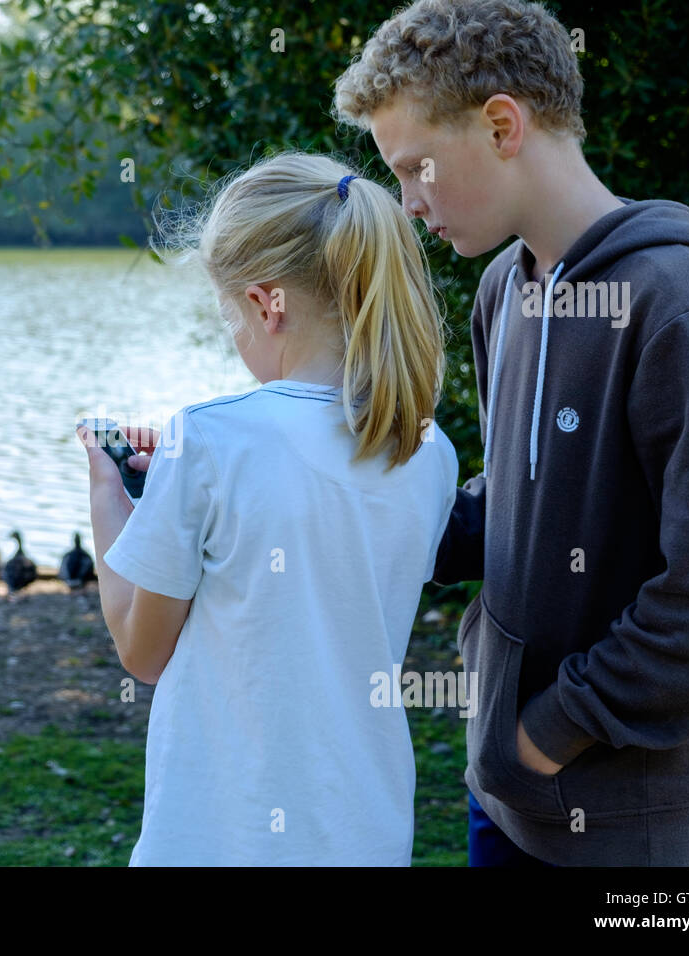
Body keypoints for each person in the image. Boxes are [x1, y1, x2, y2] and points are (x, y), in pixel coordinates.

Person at [333, 0, 689, 866]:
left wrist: (542, 734)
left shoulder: (679, 306)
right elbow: (516, 499)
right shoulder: (506, 287)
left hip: (636, 838)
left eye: (417, 167)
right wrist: (369, 508)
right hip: (501, 808)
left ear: (503, 124)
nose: (409, 203)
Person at [77, 151, 459, 865]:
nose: (236, 338)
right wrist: (179, 493)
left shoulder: (212, 436)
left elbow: (142, 649)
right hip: (364, 831)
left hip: (224, 835)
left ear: (264, 303)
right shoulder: (430, 451)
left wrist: (108, 489)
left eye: (230, 318)